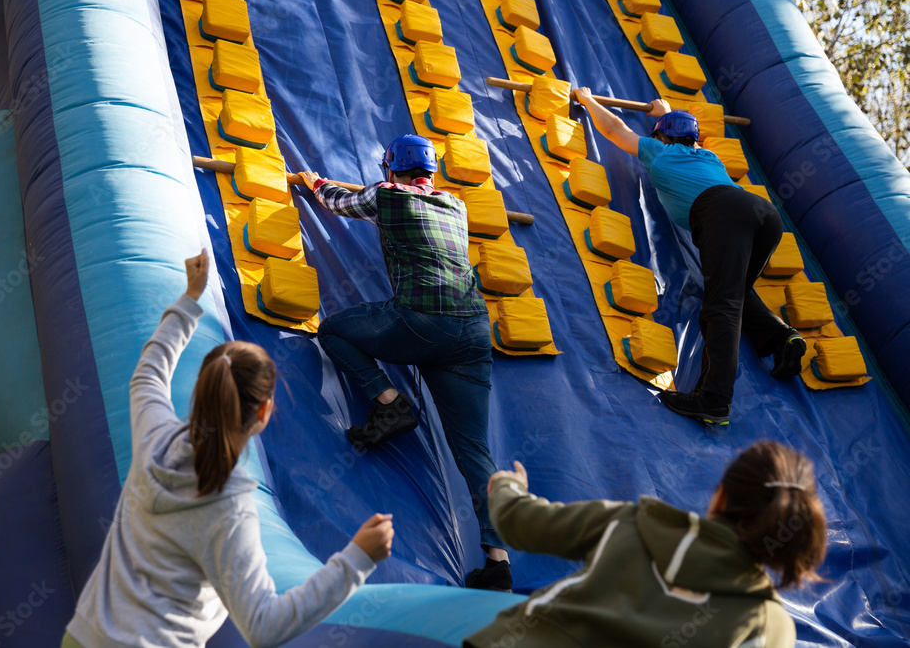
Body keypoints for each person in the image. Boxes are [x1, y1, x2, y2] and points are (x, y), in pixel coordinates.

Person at [63, 249, 394, 648]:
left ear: (203, 389)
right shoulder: (228, 507)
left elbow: (148, 373)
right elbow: (264, 627)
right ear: (265, 412)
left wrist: (190, 299)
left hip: (85, 635)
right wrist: (356, 559)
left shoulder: (156, 435)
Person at [296, 134, 512, 592]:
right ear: (432, 172)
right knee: (474, 450)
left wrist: (315, 184)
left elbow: (341, 202)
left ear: (391, 169)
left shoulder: (386, 195)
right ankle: (499, 562)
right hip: (472, 334)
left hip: (420, 323)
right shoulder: (457, 205)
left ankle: (390, 401)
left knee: (333, 329)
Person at [573, 89, 806, 426]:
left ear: (663, 137)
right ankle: (783, 339)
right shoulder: (709, 156)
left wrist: (588, 99)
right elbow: (679, 126)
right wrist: (665, 113)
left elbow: (612, 129)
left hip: (722, 214)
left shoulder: (658, 151)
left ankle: (713, 400)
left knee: (721, 306)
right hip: (763, 216)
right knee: (735, 292)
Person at [465, 440, 827, 647]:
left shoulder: (634, 523)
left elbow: (523, 524)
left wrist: (508, 487)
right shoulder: (770, 625)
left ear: (719, 497)